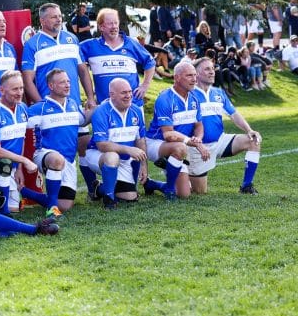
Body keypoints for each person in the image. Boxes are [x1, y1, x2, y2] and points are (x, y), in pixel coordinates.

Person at [82, 78, 167, 208]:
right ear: (112, 95)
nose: (128, 96)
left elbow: (140, 140)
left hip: (124, 159)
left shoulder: (136, 111)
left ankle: (98, 189)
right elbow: (102, 145)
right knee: (112, 156)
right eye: (123, 93)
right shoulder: (101, 111)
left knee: (130, 197)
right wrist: (128, 150)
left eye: (129, 92)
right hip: (98, 155)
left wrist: (144, 166)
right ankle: (109, 198)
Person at [191, 57, 263, 194]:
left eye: (212, 68)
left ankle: (246, 186)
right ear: (196, 73)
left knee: (254, 140)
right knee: (199, 191)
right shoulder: (188, 94)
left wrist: (249, 130)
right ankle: (173, 175)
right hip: (199, 147)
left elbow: (234, 115)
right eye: (207, 69)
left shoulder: (219, 93)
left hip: (220, 142)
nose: (212, 72)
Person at [26, 69, 91, 215]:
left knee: (66, 205)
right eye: (62, 82)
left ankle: (26, 192)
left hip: (68, 160)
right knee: (56, 159)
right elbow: (22, 131)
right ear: (51, 86)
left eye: (68, 81)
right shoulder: (38, 109)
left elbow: (83, 120)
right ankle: (52, 209)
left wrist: (99, 107)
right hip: (44, 155)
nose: (67, 85)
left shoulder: (73, 104)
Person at [146, 61, 207, 199]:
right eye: (189, 76)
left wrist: (198, 138)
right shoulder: (165, 98)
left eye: (195, 75)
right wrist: (191, 142)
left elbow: (199, 126)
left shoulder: (195, 98)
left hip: (178, 145)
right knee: (180, 148)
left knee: (184, 194)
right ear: (177, 77)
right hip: (155, 143)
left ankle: (153, 184)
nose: (194, 79)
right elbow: (168, 135)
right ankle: (169, 190)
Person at [0, 70, 35, 214]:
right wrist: (24, 161)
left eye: (21, 88)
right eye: (15, 89)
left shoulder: (23, 108)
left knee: (15, 209)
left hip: (13, 165)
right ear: (1, 90)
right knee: (4, 162)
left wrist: (19, 169)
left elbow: (21, 139)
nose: (19, 93)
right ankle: (1, 211)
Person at [21, 2, 94, 106]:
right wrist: (42, 105)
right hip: (49, 109)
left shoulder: (72, 39)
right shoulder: (32, 44)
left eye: (60, 16)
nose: (59, 19)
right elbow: (27, 81)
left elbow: (83, 71)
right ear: (42, 21)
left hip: (74, 105)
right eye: (54, 17)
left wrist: (90, 98)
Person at [79, 8, 155, 106]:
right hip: (105, 106)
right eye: (110, 23)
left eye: (116, 23)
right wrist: (90, 97)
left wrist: (145, 85)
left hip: (133, 105)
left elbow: (150, 62)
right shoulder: (90, 46)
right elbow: (72, 55)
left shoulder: (131, 43)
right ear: (101, 27)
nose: (114, 26)